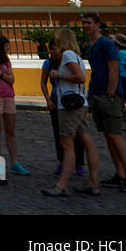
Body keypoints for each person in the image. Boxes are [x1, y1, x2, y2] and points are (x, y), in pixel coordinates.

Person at [42, 27, 102, 197]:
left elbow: (80, 78)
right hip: (79, 103)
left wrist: (58, 74)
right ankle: (93, 182)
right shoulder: (76, 56)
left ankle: (62, 185)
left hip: (69, 106)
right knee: (86, 141)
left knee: (66, 144)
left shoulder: (67, 55)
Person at [82, 13, 126, 192]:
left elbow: (114, 69)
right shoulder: (88, 46)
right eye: (83, 23)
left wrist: (111, 93)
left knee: (115, 135)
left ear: (98, 25)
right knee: (107, 135)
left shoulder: (106, 44)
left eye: (89, 23)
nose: (86, 26)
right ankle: (120, 173)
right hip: (97, 94)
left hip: (109, 95)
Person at [0, 34, 29, 176]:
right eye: (5, 45)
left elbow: (12, 79)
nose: (8, 48)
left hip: (8, 95)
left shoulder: (6, 60)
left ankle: (15, 162)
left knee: (10, 130)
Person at [40, 46, 86, 176]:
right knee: (59, 134)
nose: (52, 51)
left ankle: (79, 163)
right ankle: (62, 161)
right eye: (50, 49)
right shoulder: (48, 63)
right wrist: (48, 100)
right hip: (56, 100)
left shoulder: (69, 61)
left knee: (77, 134)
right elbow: (43, 82)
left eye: (55, 48)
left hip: (71, 99)